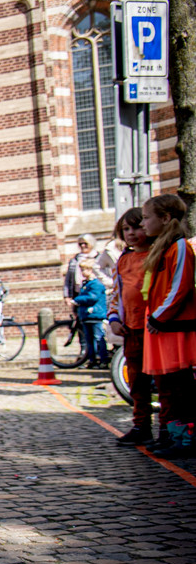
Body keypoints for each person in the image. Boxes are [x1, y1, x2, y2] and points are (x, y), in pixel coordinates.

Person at [139, 194, 196, 458]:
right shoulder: (162, 248)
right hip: (162, 327)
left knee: (181, 385)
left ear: (165, 218)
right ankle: (174, 435)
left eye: (147, 217)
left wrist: (158, 316)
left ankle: (185, 439)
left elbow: (180, 287)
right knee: (169, 386)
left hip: (174, 328)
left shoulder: (180, 246)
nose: (143, 224)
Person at [107, 208, 154, 446]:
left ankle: (170, 427)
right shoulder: (123, 260)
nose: (131, 233)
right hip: (131, 329)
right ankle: (141, 425)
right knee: (137, 382)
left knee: (164, 380)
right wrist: (114, 318)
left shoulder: (158, 255)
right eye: (126, 229)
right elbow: (117, 294)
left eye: (136, 227)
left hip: (155, 329)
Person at [72, 260, 109, 368]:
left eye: (85, 269)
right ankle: (92, 360)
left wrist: (77, 300)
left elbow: (93, 297)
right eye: (82, 270)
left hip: (95, 314)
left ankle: (103, 360)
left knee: (98, 337)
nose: (83, 272)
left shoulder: (95, 284)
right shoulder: (86, 284)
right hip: (87, 315)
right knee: (89, 339)